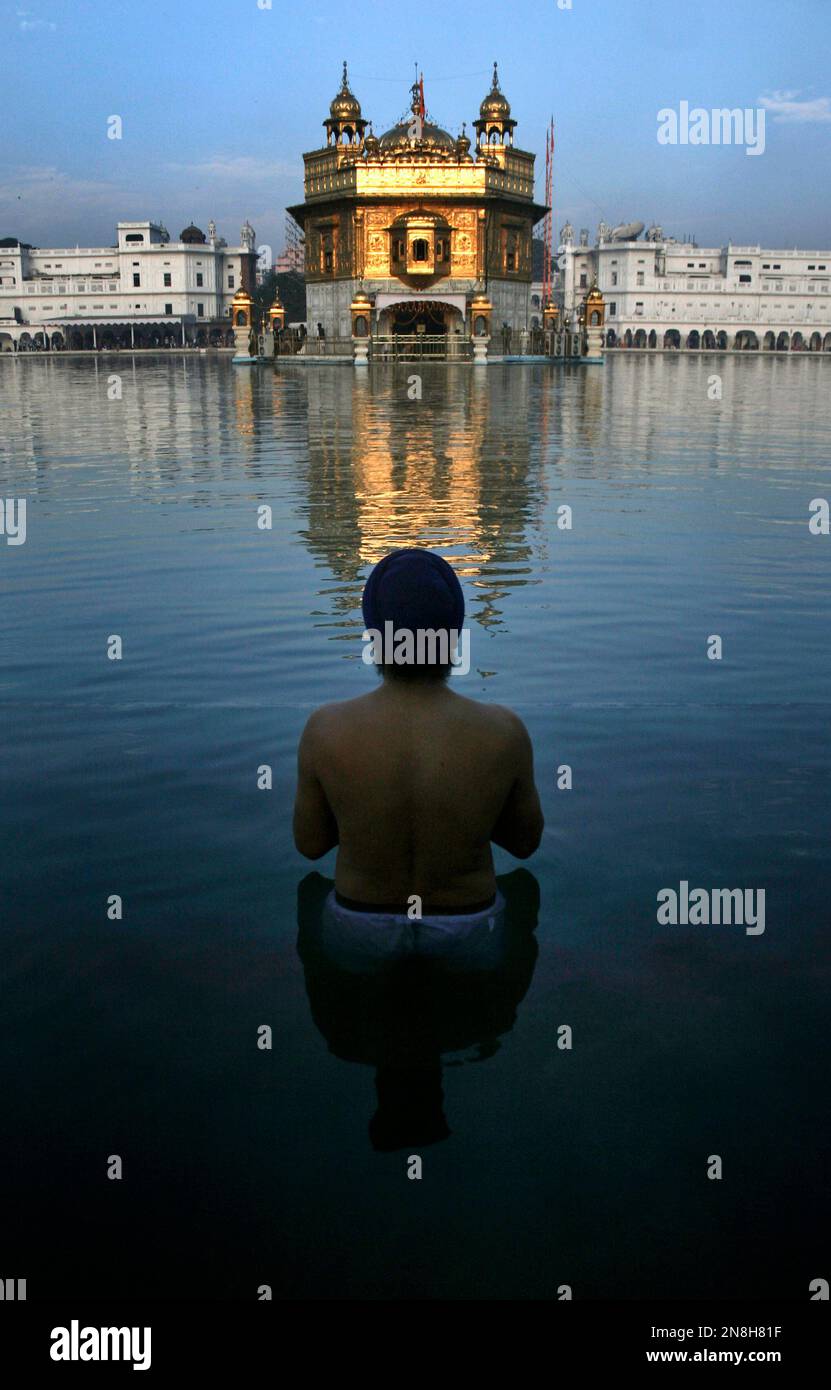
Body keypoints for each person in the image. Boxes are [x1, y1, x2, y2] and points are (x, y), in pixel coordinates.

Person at [293, 549, 544, 944]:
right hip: (470, 922)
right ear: (454, 635)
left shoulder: (324, 730)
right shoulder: (503, 731)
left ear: (374, 635)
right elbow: (525, 844)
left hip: (359, 921)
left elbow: (310, 846)